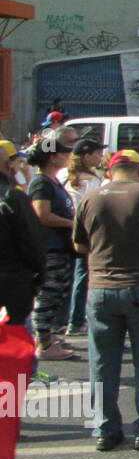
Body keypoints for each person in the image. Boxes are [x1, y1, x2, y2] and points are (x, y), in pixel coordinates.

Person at [73, 149, 139, 451]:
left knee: (102, 362)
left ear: (110, 171)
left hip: (101, 289)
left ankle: (105, 429)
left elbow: (79, 245)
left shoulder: (90, 198)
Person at [27, 134, 77, 363]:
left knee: (57, 293)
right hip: (50, 248)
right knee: (48, 294)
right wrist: (71, 223)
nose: (68, 156)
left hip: (62, 247)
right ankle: (43, 342)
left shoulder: (53, 182)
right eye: (63, 153)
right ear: (52, 157)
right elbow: (42, 215)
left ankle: (48, 335)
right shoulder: (41, 183)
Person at [58, 138, 105, 337]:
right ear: (86, 156)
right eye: (97, 153)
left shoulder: (63, 174)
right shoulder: (89, 180)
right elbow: (94, 209)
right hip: (85, 230)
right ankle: (76, 320)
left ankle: (62, 319)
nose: (100, 156)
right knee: (84, 275)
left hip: (65, 230)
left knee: (68, 277)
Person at [0, 140, 45, 344]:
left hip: (13, 281)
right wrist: (39, 277)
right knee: (14, 349)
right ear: (8, 165)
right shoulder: (14, 198)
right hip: (12, 285)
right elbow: (32, 242)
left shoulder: (15, 197)